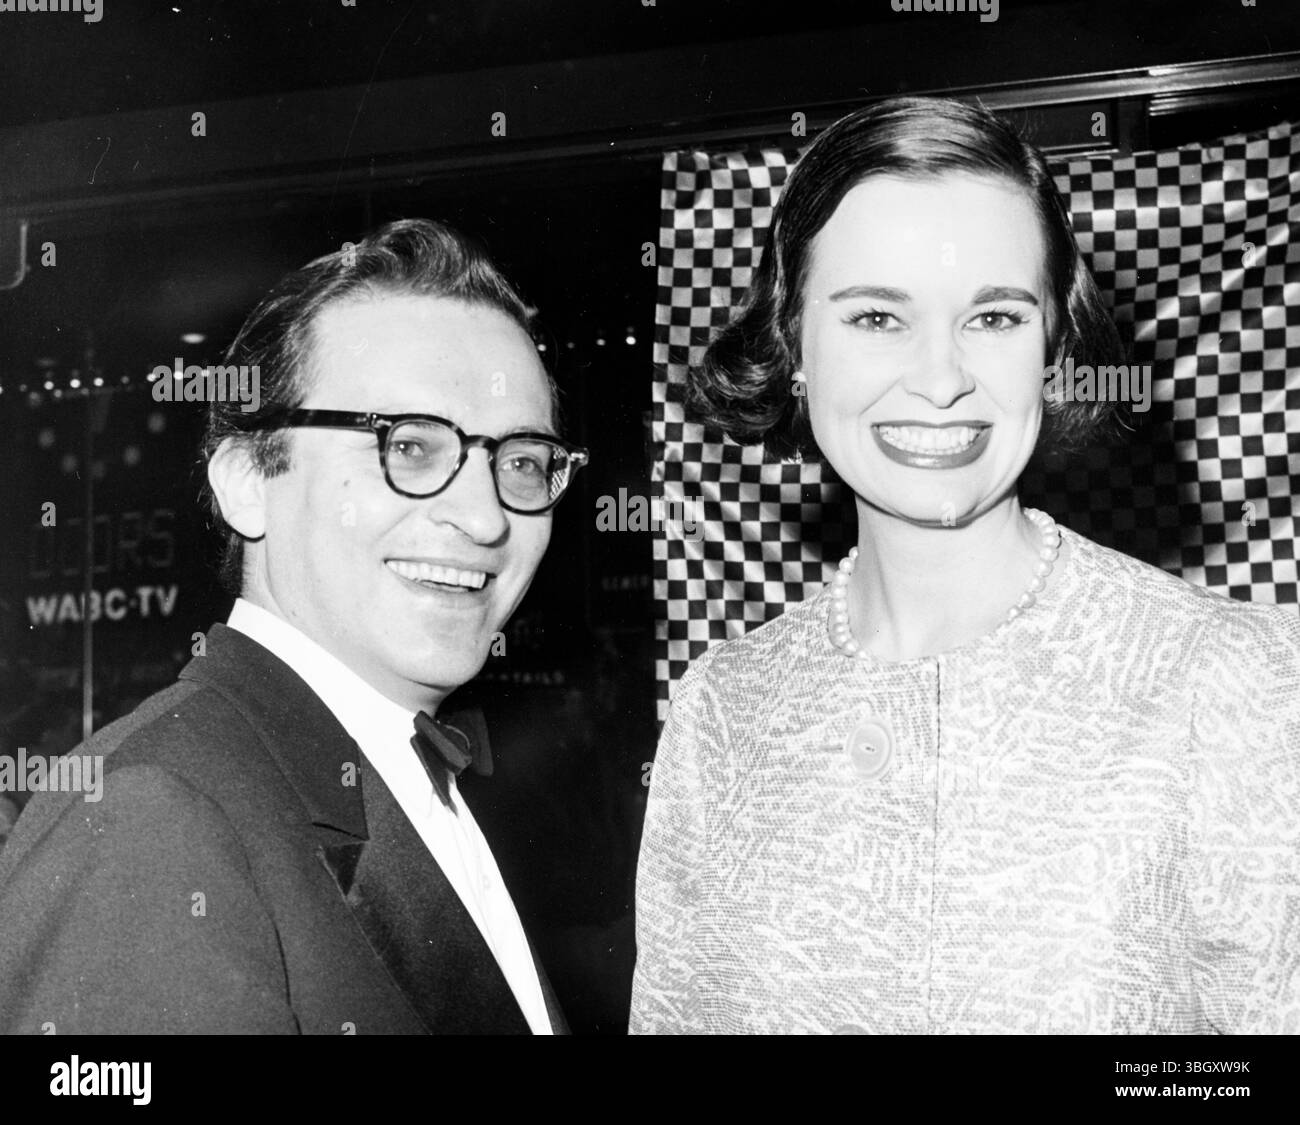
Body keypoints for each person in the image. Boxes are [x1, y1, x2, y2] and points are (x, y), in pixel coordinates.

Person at [630, 97, 1300, 1034]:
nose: (941, 378)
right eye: (875, 317)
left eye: (992, 316)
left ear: (1054, 343)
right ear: (792, 346)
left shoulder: (1228, 678)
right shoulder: (721, 712)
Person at [0, 219, 588, 1034]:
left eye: (522, 461)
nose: (487, 517)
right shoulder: (150, 815)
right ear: (248, 482)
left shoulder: (401, 783)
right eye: (410, 447)